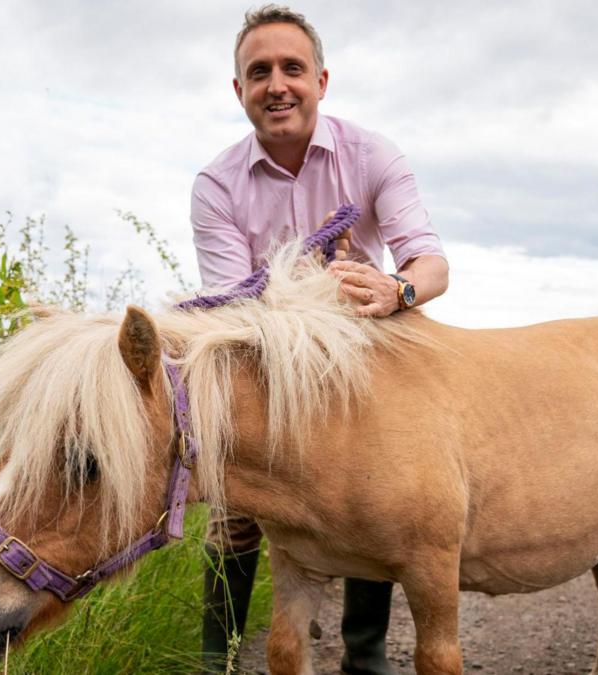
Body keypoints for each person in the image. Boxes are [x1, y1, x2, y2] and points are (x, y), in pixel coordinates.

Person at [190, 5, 449, 673]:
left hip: (364, 354)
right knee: (233, 504)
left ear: (321, 81)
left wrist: (396, 290)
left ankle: (365, 653)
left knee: (377, 490)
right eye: (259, 73)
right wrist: (311, 289)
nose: (277, 85)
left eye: (292, 69)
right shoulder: (216, 185)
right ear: (239, 90)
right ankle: (216, 660)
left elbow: (430, 264)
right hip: (265, 360)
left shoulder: (373, 155)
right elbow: (231, 308)